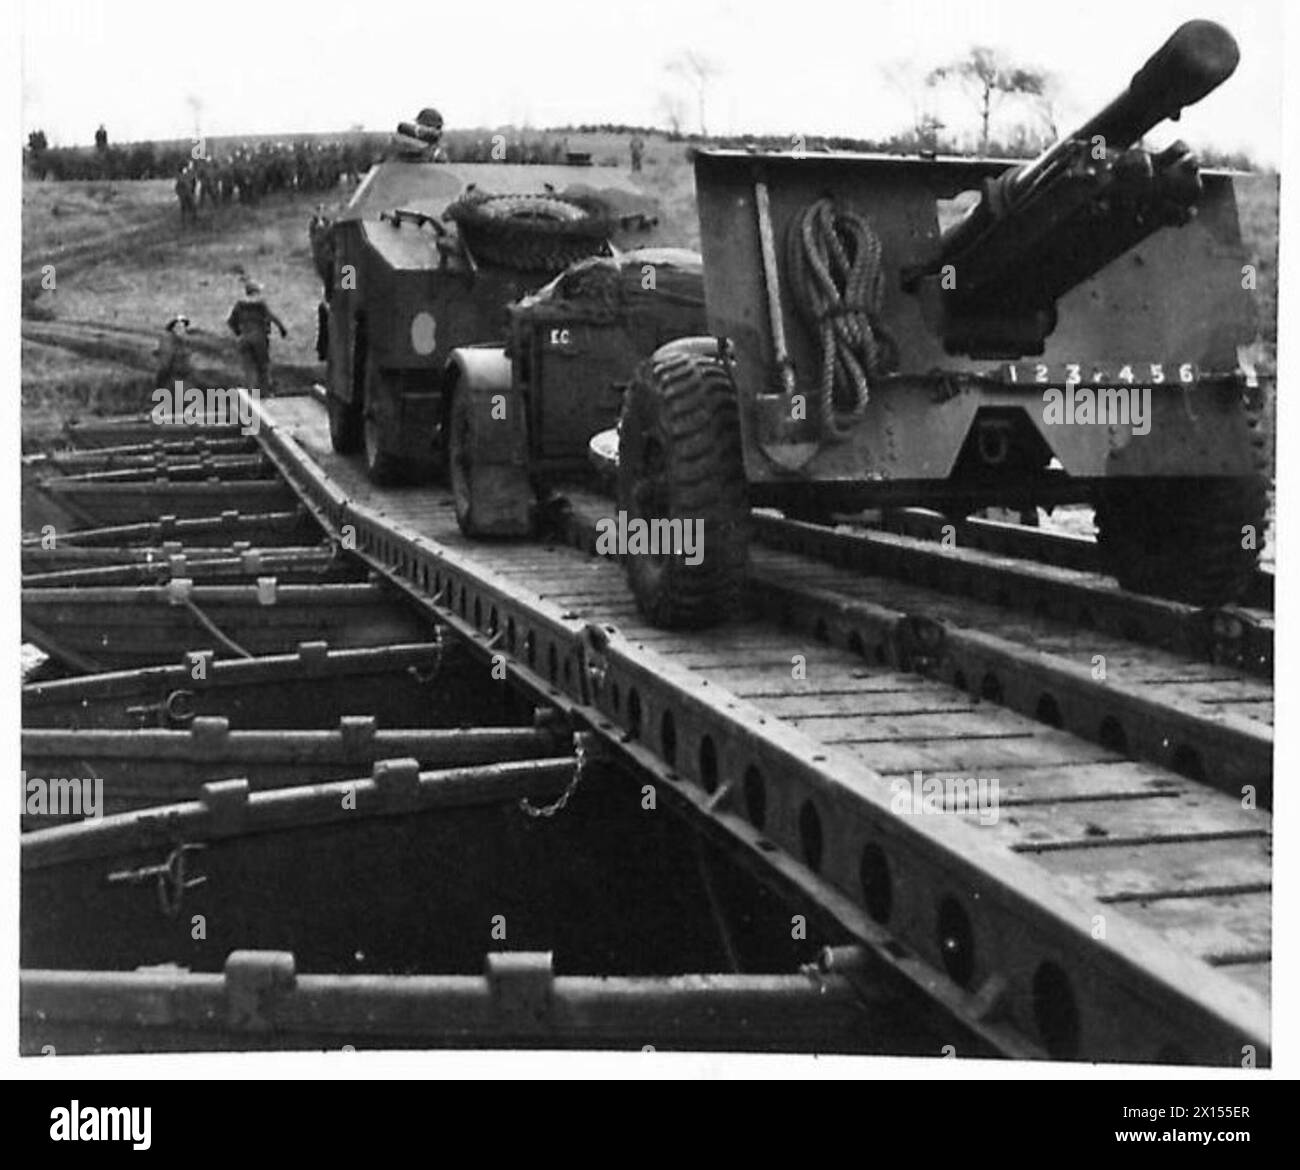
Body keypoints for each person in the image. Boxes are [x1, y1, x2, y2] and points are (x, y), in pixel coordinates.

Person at [227, 280, 288, 393]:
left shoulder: (239, 305)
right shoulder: (260, 304)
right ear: (255, 291)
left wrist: (239, 333)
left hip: (244, 338)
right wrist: (282, 329)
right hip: (259, 339)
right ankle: (264, 393)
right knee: (263, 367)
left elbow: (230, 321)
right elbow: (272, 316)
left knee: (249, 368)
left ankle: (251, 395)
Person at [155, 314, 194, 389]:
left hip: (184, 376)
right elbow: (165, 363)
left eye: (183, 327)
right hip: (172, 377)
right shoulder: (168, 340)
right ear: (173, 328)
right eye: (178, 327)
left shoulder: (185, 342)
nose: (181, 329)